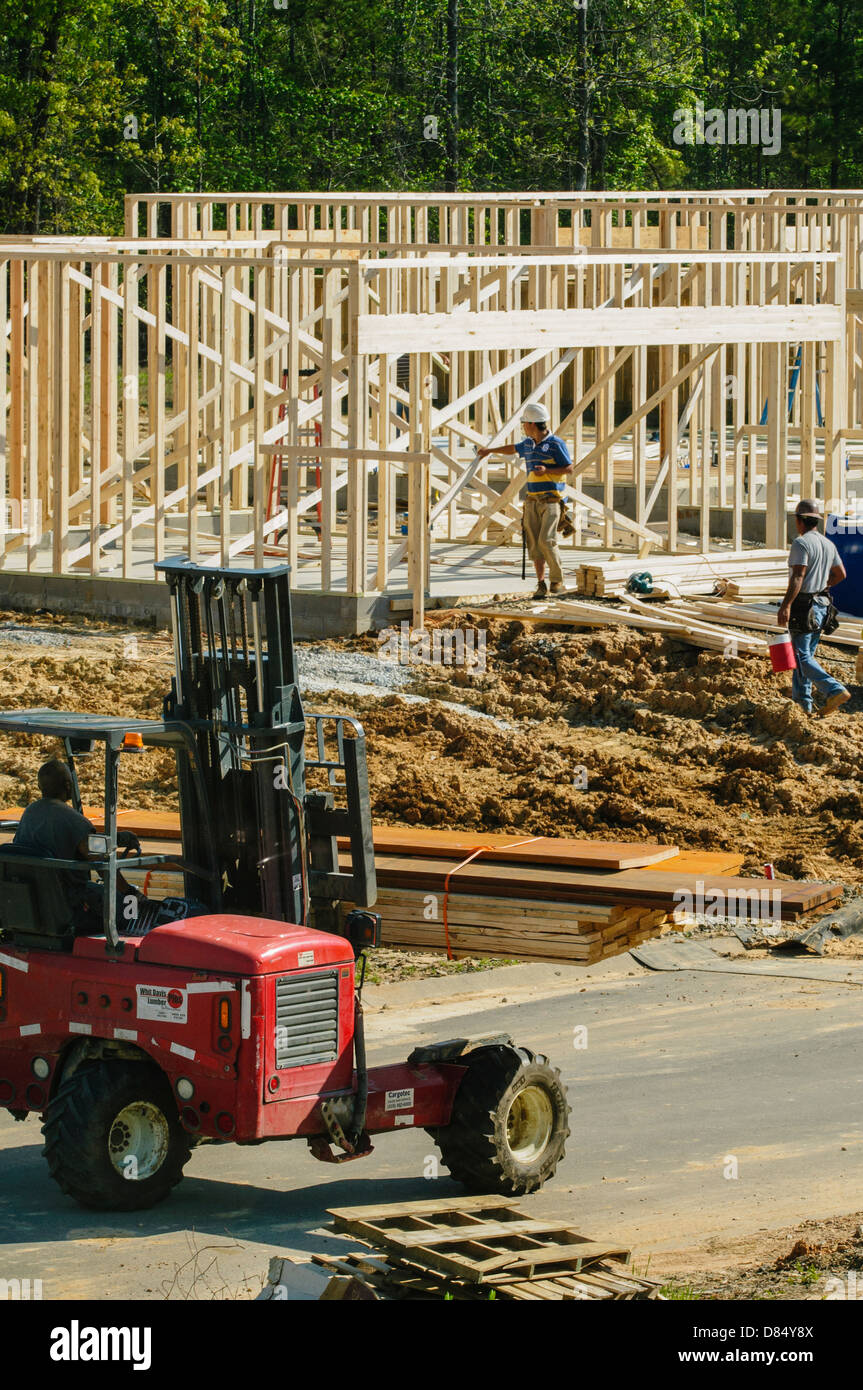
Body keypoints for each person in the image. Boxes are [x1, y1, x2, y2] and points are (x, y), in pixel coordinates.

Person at [12, 758, 143, 930]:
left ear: (40, 787)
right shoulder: (74, 820)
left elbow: (66, 838)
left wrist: (116, 839)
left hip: (34, 901)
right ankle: (131, 933)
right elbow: (101, 864)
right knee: (130, 904)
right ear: (68, 785)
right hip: (68, 904)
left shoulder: (29, 813)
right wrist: (129, 892)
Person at [477, 402, 573, 599]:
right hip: (531, 501)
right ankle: (541, 584)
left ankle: (557, 580)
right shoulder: (528, 443)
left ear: (532, 423)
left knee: (547, 540)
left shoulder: (556, 444)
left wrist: (548, 471)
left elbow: (569, 469)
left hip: (551, 501)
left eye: (524, 424)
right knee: (534, 544)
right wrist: (490, 450)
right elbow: (513, 448)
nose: (523, 427)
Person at [777, 499, 851, 718]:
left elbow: (798, 576)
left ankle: (834, 690)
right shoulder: (828, 544)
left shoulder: (801, 543)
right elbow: (840, 574)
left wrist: (785, 605)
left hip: (804, 606)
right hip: (821, 606)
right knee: (805, 656)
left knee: (800, 657)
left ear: (800, 521)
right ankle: (803, 705)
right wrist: (823, 585)